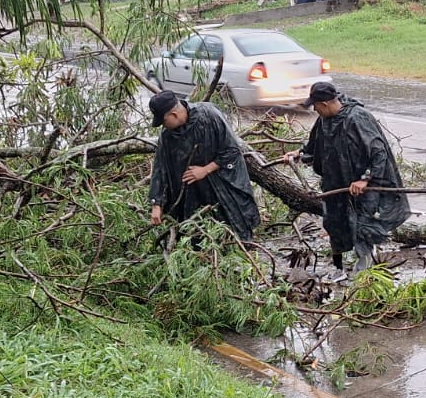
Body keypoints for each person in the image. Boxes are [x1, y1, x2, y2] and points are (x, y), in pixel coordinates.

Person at [281, 82, 410, 272]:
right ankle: (339, 268)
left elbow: (378, 152)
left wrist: (365, 179)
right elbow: (315, 145)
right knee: (335, 223)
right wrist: (298, 154)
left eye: (315, 106)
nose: (315, 110)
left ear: (324, 104)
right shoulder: (324, 120)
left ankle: (364, 273)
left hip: (364, 186)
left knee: (363, 227)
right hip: (336, 183)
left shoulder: (358, 118)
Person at [147, 90, 260, 241]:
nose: (164, 126)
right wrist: (156, 203)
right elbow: (160, 168)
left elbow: (232, 150)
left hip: (222, 183)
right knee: (195, 235)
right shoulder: (168, 135)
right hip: (191, 193)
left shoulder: (209, 115)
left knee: (233, 230)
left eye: (164, 121)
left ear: (174, 114)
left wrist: (205, 170)